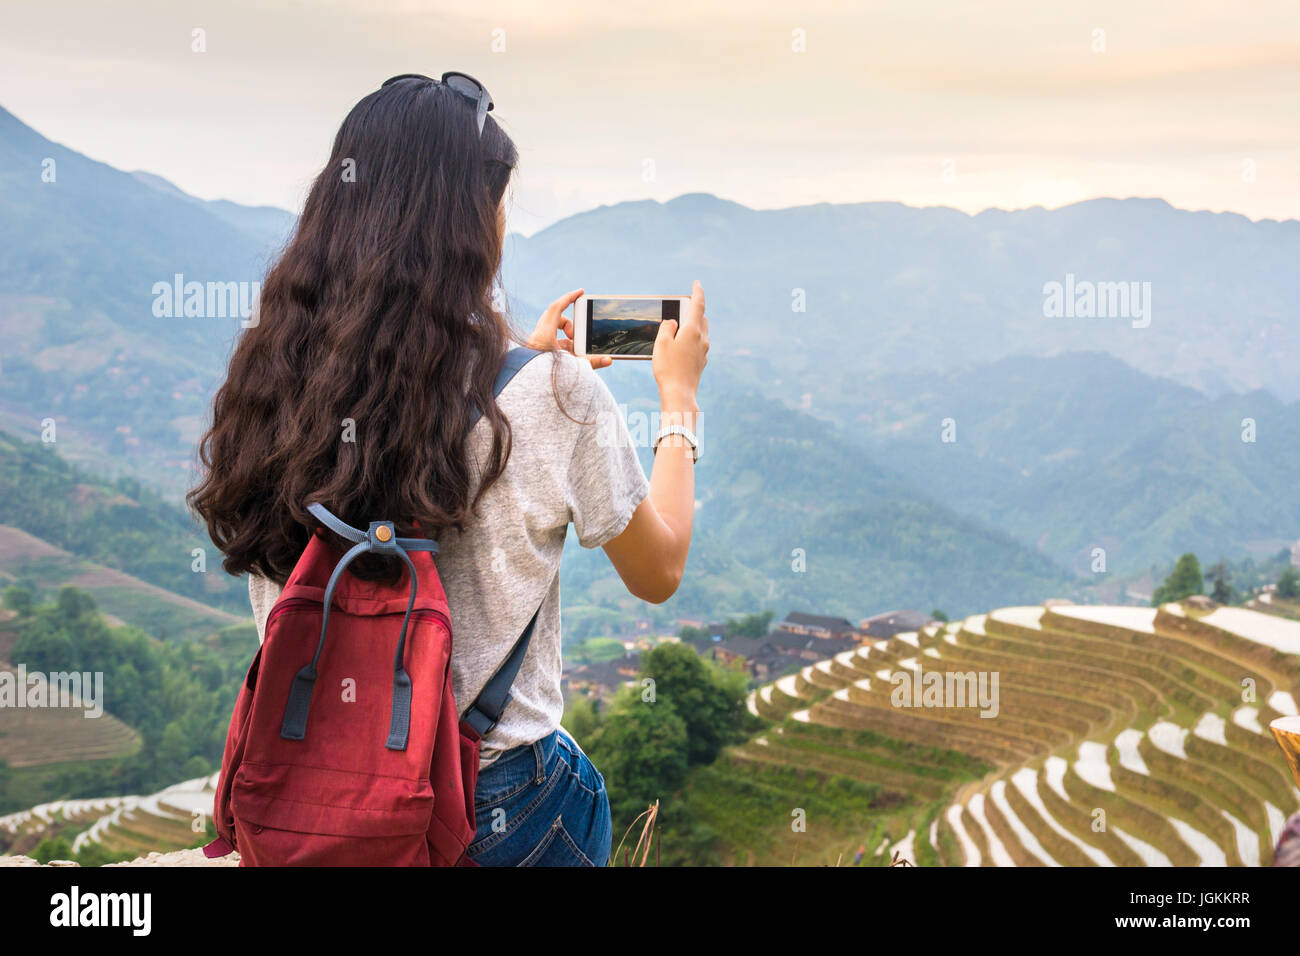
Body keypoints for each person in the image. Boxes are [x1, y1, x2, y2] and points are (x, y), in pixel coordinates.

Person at [188, 72, 708, 867]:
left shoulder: (273, 380)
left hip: (308, 792)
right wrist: (678, 403)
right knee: (580, 785)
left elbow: (401, 426)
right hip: (494, 806)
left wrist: (520, 371)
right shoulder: (557, 398)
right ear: (472, 224)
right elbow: (660, 569)